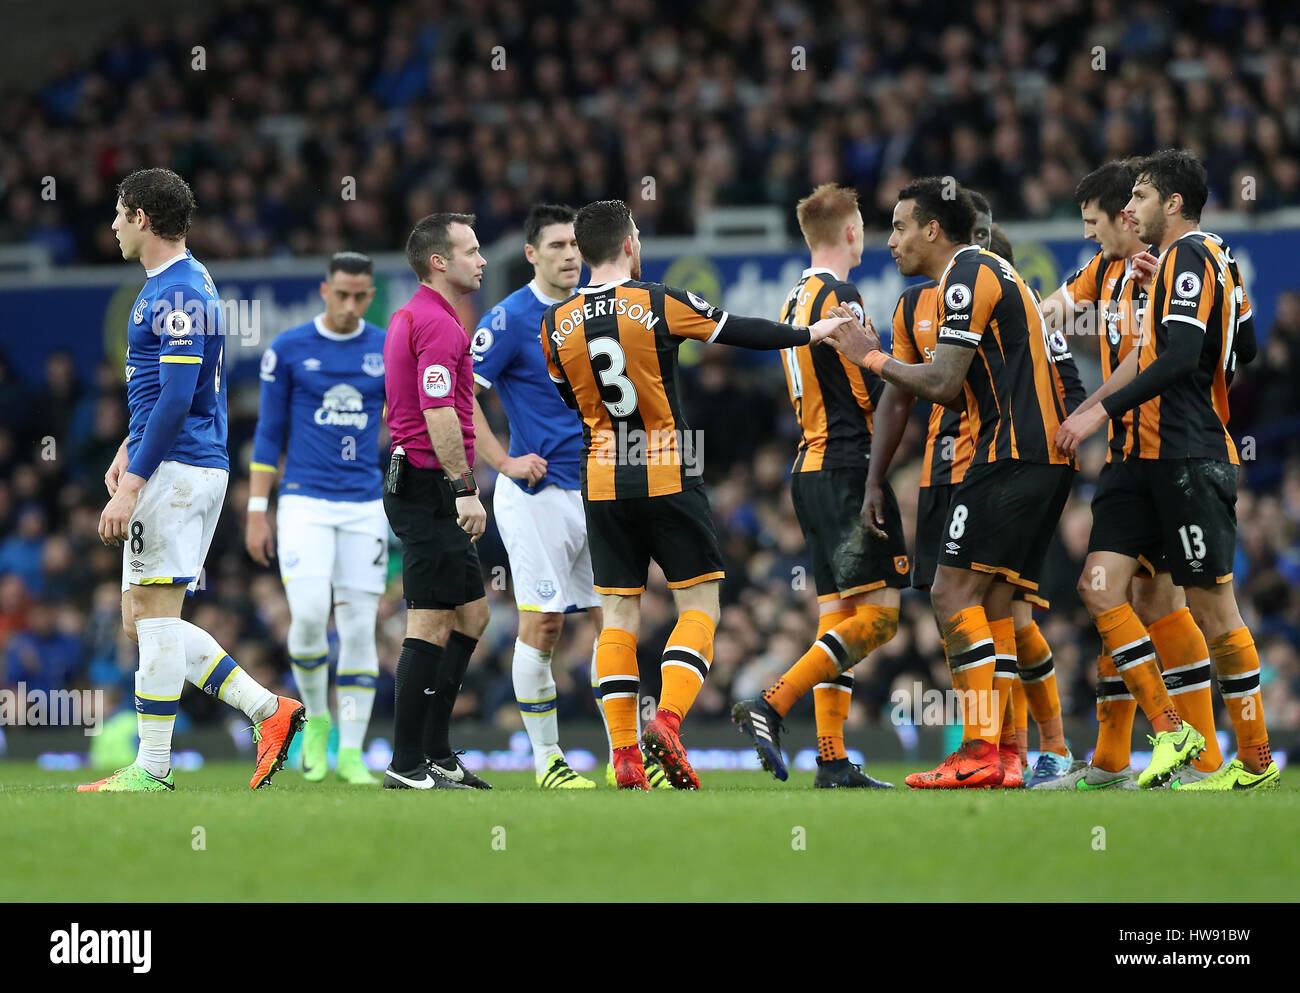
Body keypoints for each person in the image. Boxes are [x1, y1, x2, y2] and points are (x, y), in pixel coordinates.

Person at [543, 199, 847, 789]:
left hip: (601, 477)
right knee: (700, 606)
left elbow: (569, 399)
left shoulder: (555, 322)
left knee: (618, 615)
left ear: (582, 252)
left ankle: (624, 755)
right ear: (629, 244)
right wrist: (811, 332)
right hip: (667, 469)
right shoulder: (658, 301)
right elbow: (740, 331)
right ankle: (669, 721)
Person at [825, 177, 1075, 789]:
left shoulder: (966, 273)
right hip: (1032, 457)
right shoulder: (978, 277)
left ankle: (981, 750)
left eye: (900, 227)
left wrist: (869, 356)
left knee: (948, 594)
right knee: (996, 607)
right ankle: (1007, 755)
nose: (891, 242)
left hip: (1009, 455)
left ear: (933, 229)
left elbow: (941, 382)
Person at [1056, 148, 1276, 791]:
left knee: (1214, 609)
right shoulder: (1217, 258)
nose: (1131, 208)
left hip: (1187, 453)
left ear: (1173, 204)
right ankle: (1172, 733)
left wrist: (1098, 411)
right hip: (1143, 460)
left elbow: (1179, 358)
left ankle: (1256, 762)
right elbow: (1246, 346)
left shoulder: (1188, 254)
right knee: (1102, 588)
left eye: (1142, 196)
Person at [81, 168, 303, 793]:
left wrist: (133, 484)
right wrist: (129, 444)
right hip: (175, 461)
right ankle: (268, 710)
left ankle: (153, 767)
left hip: (178, 470)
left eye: (120, 213)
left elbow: (180, 396)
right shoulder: (180, 282)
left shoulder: (177, 292)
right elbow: (167, 391)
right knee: (139, 618)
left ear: (143, 219)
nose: (113, 225)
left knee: (154, 616)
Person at [1034, 160, 1224, 789]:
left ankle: (1194, 753)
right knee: (1122, 600)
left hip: (1168, 455)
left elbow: (1152, 360)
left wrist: (1089, 411)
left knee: (1145, 600)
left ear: (1125, 216)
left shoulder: (1164, 270)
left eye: (1093, 222)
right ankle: (1125, 760)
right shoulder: (1107, 268)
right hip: (1128, 457)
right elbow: (1049, 312)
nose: (1087, 234)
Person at [471, 204, 665, 788]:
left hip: (599, 489)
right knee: (545, 625)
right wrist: (502, 461)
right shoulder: (508, 319)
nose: (569, 255)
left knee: (616, 621)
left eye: (575, 245)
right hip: (536, 496)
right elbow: (460, 394)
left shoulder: (596, 310)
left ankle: (625, 757)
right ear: (531, 254)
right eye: (556, 245)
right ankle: (548, 761)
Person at [730, 184, 902, 790]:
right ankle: (771, 703)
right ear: (851, 232)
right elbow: (870, 388)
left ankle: (831, 759)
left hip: (809, 467)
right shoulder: (841, 297)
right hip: (848, 467)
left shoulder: (793, 298)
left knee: (840, 621)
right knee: (880, 620)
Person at [246, 252, 388, 785]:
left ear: (370, 296)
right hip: (304, 502)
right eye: (341, 294)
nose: (350, 305)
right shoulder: (288, 349)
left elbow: (405, 419)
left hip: (364, 505)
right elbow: (268, 434)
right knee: (307, 617)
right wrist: (257, 510)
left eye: (360, 296)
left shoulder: (384, 348)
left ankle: (351, 751)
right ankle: (316, 721)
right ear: (325, 291)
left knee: (359, 630)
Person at [381, 212, 493, 791]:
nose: (482, 260)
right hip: (430, 488)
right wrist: (464, 490)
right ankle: (405, 763)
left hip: (421, 480)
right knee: (429, 620)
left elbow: (396, 406)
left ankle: (436, 753)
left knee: (473, 614)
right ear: (439, 261)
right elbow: (439, 410)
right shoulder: (438, 324)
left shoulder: (412, 316)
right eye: (471, 251)